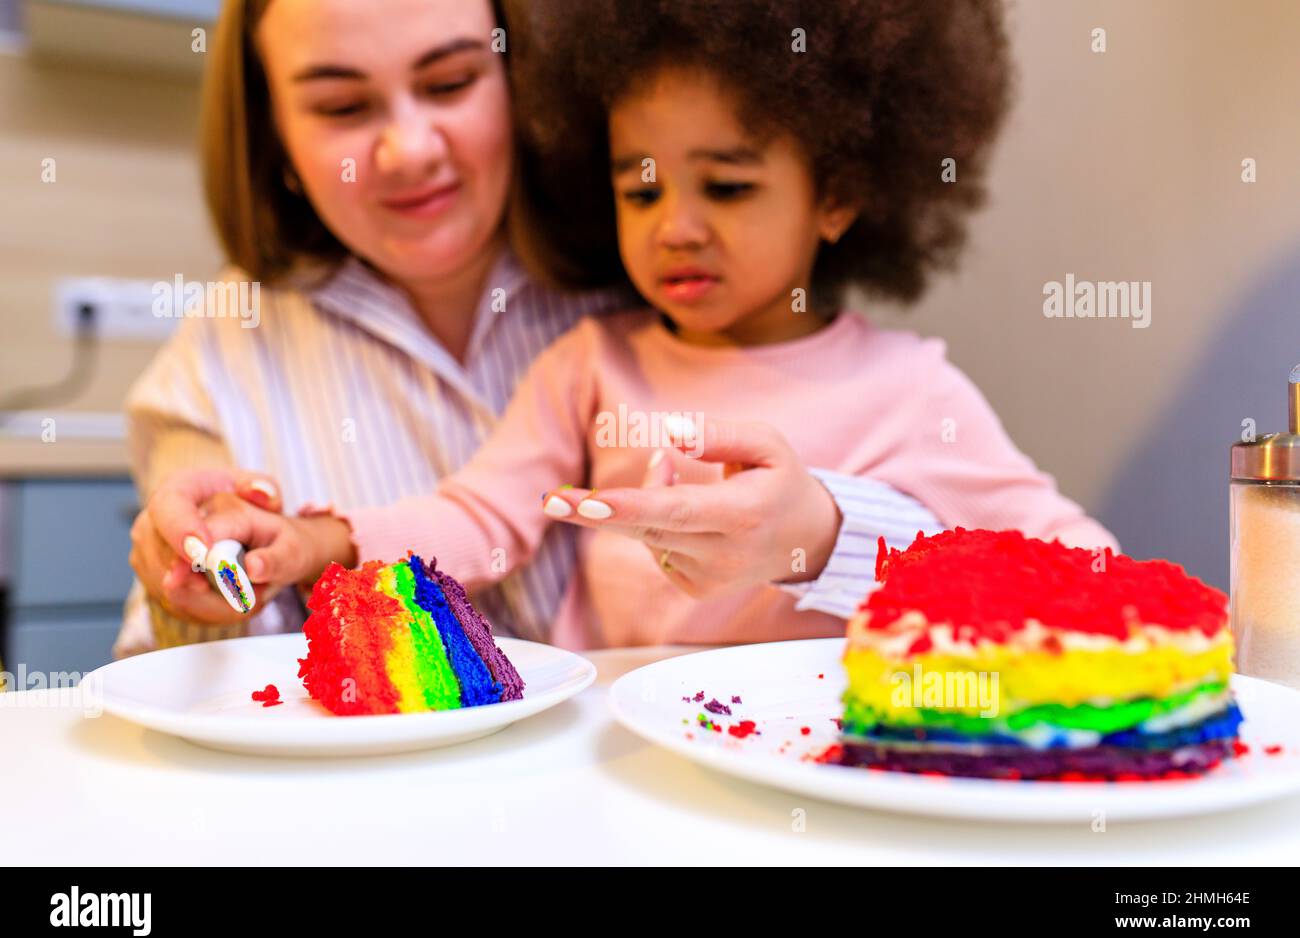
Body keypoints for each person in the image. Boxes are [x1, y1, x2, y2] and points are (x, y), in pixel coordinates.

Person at [200, 0, 1117, 650]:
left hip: (808, 776)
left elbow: (1080, 569)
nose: (676, 225)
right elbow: (481, 519)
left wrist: (835, 540)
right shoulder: (590, 363)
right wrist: (329, 541)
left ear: (836, 194)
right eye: (641, 187)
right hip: (606, 774)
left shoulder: (914, 394)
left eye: (727, 185)